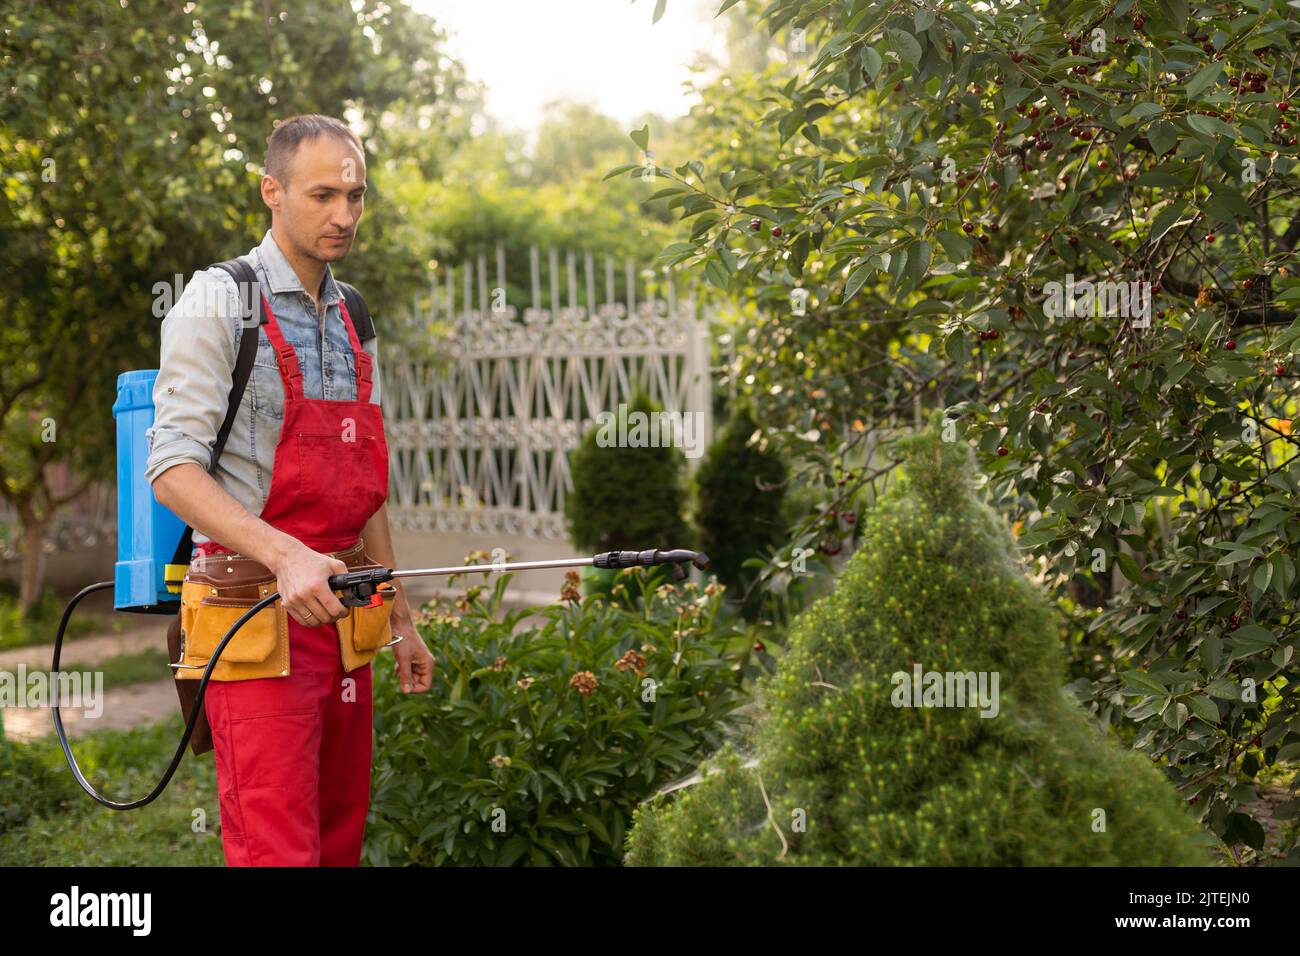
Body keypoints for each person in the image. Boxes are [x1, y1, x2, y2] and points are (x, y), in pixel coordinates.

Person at [145, 113, 436, 866]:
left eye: (356, 196)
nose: (343, 216)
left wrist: (400, 616)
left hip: (347, 621)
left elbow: (364, 487)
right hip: (254, 619)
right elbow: (172, 470)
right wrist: (287, 557)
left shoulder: (354, 316)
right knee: (278, 851)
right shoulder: (217, 303)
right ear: (271, 191)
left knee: (339, 842)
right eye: (321, 196)